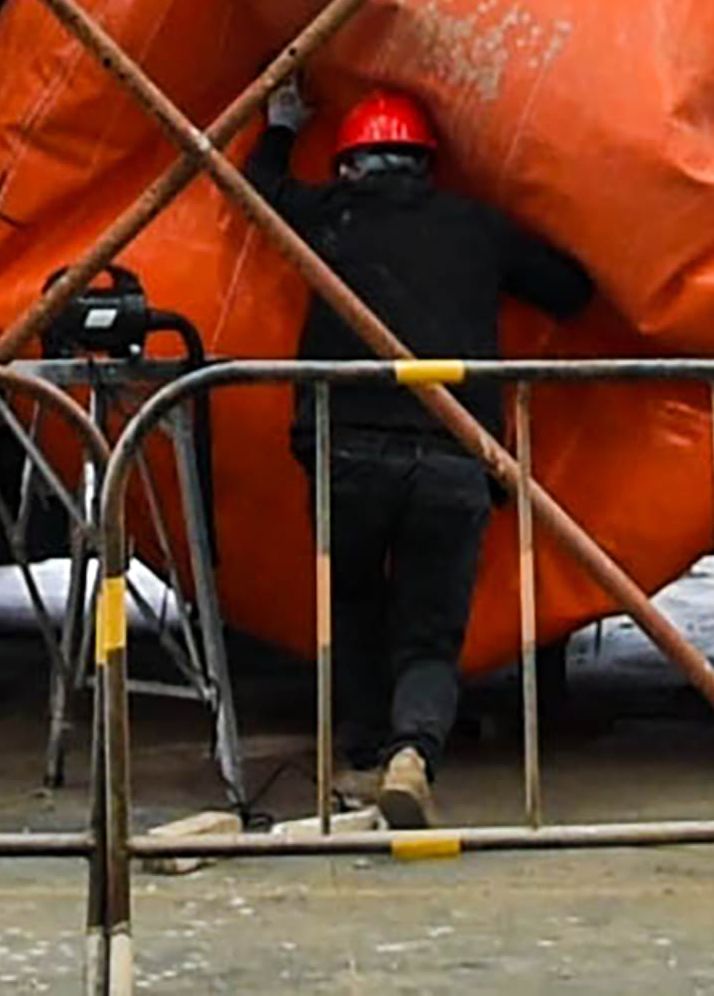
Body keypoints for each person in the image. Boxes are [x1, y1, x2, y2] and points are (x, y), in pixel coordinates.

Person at [249, 79, 594, 828]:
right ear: (426, 164)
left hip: (346, 450)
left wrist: (278, 124)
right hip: (450, 453)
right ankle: (413, 754)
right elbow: (571, 290)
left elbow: (256, 192)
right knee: (429, 628)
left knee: (354, 605)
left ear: (347, 165)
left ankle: (365, 753)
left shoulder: (327, 215)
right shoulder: (474, 226)